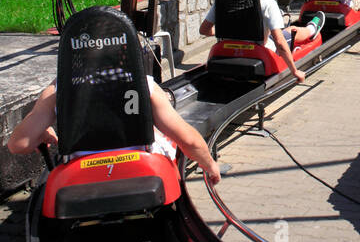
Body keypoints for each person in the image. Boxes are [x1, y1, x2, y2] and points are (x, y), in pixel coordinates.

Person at [7, 76, 221, 186]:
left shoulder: (58, 90)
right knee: (167, 138)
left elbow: (18, 144)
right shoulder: (144, 85)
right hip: (143, 168)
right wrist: (209, 165)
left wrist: (43, 131)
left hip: (82, 175)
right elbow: (188, 140)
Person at [200, 0, 319, 83]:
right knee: (290, 31)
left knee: (279, 34)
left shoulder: (222, 2)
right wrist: (295, 71)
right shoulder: (268, 4)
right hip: (260, 52)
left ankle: (312, 28)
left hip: (226, 50)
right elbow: (280, 42)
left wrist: (225, 32)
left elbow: (204, 30)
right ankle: (312, 29)